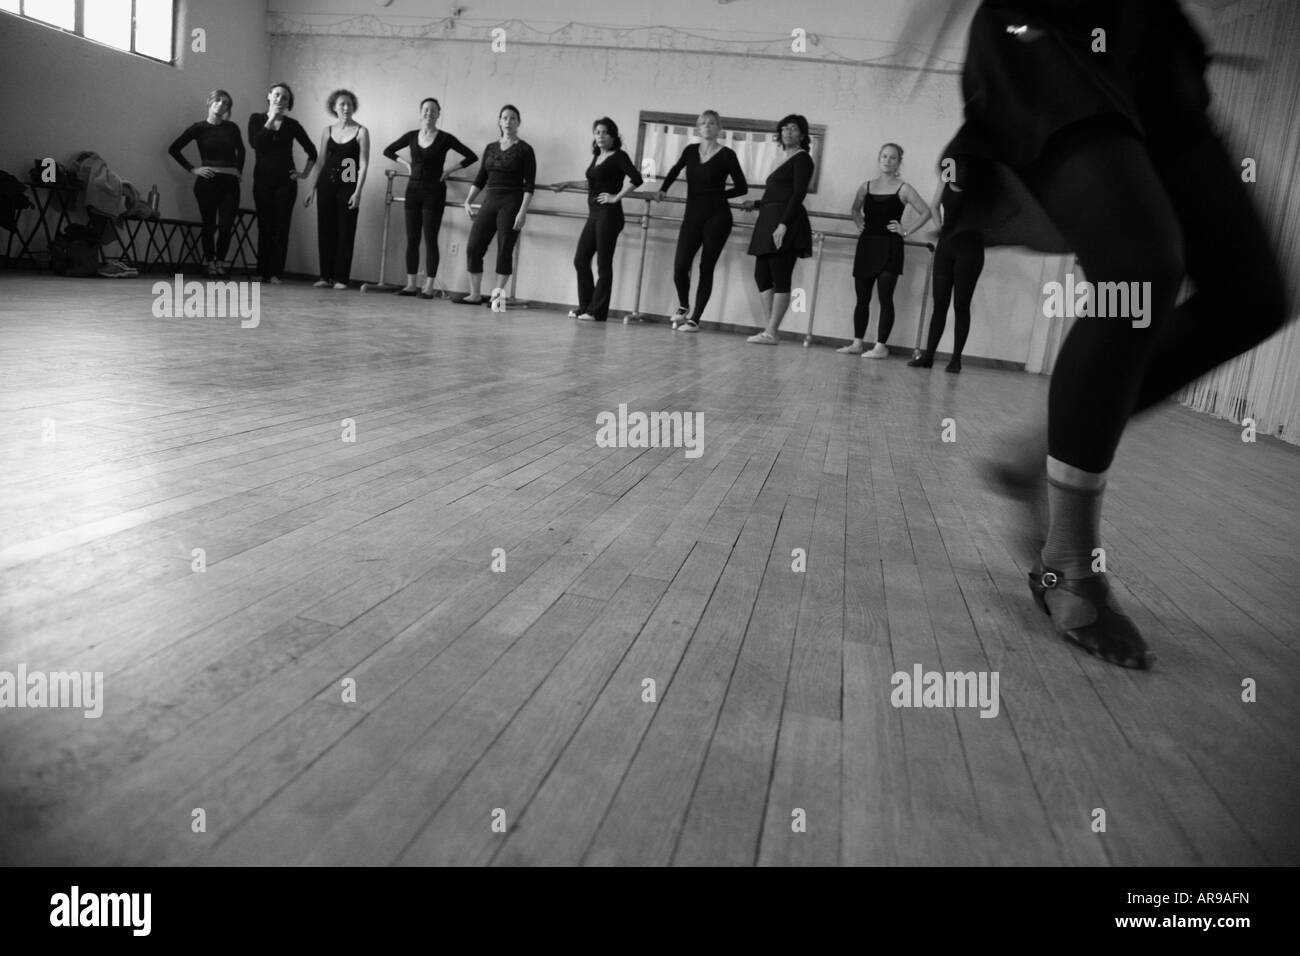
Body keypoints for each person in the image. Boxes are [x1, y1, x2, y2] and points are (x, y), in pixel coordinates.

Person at [909, 0, 1290, 668]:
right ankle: (1066, 562)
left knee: (1253, 296)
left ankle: (1034, 456)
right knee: (1138, 268)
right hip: (1050, 28)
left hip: (1151, 49)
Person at [653, 110, 748, 332]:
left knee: (706, 267)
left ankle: (695, 319)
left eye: (712, 123)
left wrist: (719, 196)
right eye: (703, 123)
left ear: (719, 128)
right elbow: (675, 170)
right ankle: (684, 305)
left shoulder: (727, 155)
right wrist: (662, 190)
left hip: (718, 217)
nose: (707, 126)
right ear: (697, 128)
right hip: (692, 216)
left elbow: (741, 186)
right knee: (680, 266)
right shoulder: (690, 151)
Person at [837, 143, 931, 357]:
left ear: (899, 162)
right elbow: (855, 208)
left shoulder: (904, 188)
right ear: (879, 158)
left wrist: (905, 231)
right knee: (862, 298)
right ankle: (857, 343)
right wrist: (858, 221)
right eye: (884, 156)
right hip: (867, 245)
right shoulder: (866, 186)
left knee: (885, 297)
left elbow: (926, 212)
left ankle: (881, 346)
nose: (887, 160)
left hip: (890, 246)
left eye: (893, 158)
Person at [382, 98, 478, 298]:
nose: (429, 113)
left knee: (430, 239)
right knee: (412, 239)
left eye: (433, 110)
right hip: (413, 190)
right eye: (426, 110)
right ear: (420, 113)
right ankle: (410, 284)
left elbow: (471, 156)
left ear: (438, 114)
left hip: (434, 192)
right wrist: (406, 164)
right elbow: (388, 150)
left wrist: (450, 169)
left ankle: (429, 286)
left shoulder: (445, 138)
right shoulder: (410, 136)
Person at [553, 118, 644, 321]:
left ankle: (597, 311)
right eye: (597, 132)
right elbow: (591, 183)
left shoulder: (619, 156)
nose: (600, 136)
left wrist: (616, 197)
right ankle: (586, 306)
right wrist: (567, 183)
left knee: (603, 263)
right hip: (594, 214)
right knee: (581, 260)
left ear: (613, 136)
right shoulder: (598, 156)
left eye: (604, 132)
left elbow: (637, 178)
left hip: (609, 215)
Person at [908, 160, 984, 372]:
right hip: (947, 246)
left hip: (971, 248)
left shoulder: (986, 176)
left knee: (961, 305)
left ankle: (956, 359)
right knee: (939, 303)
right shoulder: (949, 171)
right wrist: (941, 228)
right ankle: (928, 356)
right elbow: (934, 205)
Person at [745, 115, 815, 345]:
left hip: (786, 222)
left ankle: (771, 331)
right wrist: (756, 204)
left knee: (780, 275)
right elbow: (778, 194)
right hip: (769, 219)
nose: (787, 132)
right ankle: (770, 329)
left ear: (802, 135)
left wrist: (783, 224)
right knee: (761, 275)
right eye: (784, 129)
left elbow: (797, 193)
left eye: (793, 129)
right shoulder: (784, 158)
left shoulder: (803, 159)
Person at [456, 104, 536, 306]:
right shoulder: (490, 148)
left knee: (504, 249)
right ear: (499, 121)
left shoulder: (526, 150)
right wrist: (468, 201)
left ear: (519, 122)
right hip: (490, 199)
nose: (508, 121)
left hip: (512, 201)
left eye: (513, 118)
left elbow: (529, 184)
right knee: (474, 247)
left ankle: (497, 298)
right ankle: (474, 294)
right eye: (505, 118)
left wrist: (522, 211)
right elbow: (481, 178)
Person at [168, 89, 245, 277]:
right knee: (209, 225)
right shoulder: (198, 128)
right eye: (218, 100)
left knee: (226, 226)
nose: (221, 104)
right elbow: (174, 149)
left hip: (230, 184)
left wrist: (239, 172)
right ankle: (210, 262)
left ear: (228, 108)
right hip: (207, 183)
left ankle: (220, 262)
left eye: (225, 102)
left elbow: (241, 151)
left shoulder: (232, 127)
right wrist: (193, 169)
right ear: (209, 102)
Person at [247, 82, 317, 285]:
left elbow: (312, 151)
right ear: (269, 96)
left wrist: (303, 174)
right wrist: (271, 119)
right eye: (277, 95)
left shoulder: (293, 125)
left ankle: (276, 272)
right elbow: (256, 143)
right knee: (264, 225)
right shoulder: (256, 119)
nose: (280, 99)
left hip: (286, 182)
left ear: (288, 103)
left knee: (281, 227)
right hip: (262, 180)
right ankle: (262, 271)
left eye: (284, 98)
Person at [304, 89, 369, 290]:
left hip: (348, 184)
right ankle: (325, 275)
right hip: (326, 184)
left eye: (349, 104)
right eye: (342, 104)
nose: (346, 108)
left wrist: (358, 192)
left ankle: (341, 278)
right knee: (325, 230)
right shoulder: (327, 130)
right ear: (334, 107)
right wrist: (311, 189)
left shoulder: (361, 131)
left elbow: (364, 164)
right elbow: (321, 160)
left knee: (345, 231)